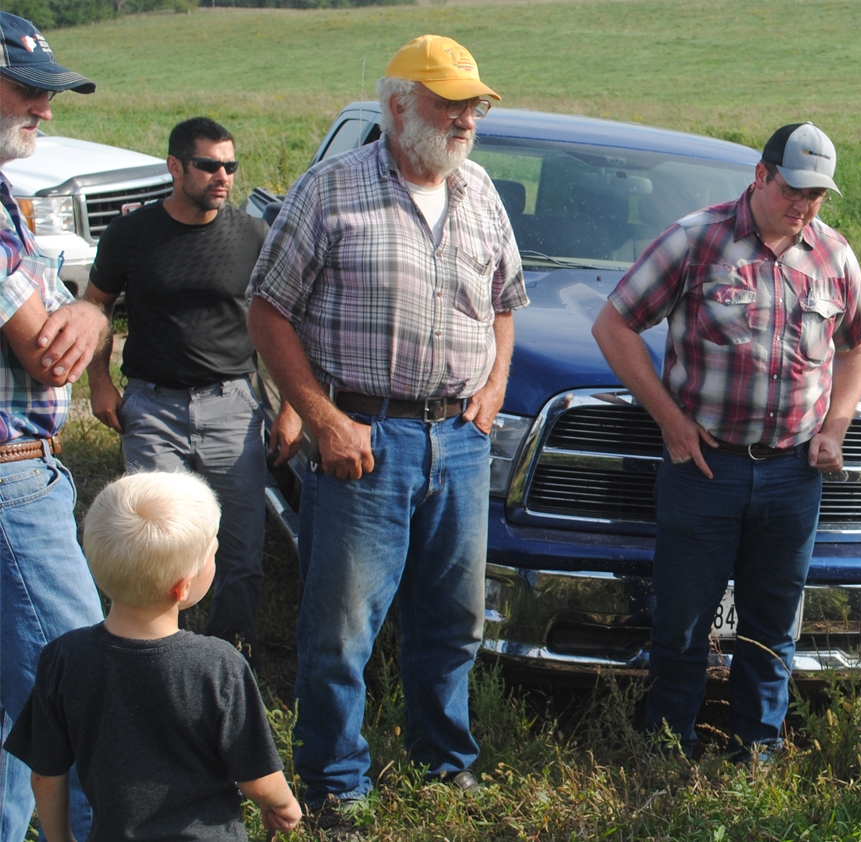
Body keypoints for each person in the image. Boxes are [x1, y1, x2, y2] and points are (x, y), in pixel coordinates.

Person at [247, 34, 525, 828]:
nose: (466, 117)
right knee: (341, 627)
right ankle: (336, 780)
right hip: (362, 439)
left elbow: (507, 302)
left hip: (461, 443)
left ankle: (446, 763)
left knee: (452, 619)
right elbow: (267, 310)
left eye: (473, 104)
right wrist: (325, 419)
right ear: (399, 104)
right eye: (450, 101)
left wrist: (496, 383)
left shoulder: (480, 195)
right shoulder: (332, 190)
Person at [592, 122, 861, 759]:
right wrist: (667, 416)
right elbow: (614, 325)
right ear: (761, 177)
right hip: (705, 470)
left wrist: (835, 427)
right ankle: (668, 747)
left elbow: (857, 349)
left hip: (793, 475)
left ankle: (758, 750)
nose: (804, 206)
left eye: (818, 195)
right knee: (684, 623)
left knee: (773, 626)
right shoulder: (696, 240)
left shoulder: (834, 256)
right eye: (793, 190)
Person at [85, 116, 293, 667]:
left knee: (240, 546)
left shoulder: (252, 235)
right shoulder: (131, 234)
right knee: (153, 542)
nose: (222, 176)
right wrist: (100, 382)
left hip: (232, 405)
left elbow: (287, 318)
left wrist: (290, 408)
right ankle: (150, 657)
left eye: (230, 166)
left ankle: (230, 659)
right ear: (175, 166)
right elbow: (96, 306)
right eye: (208, 165)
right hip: (152, 405)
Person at [3, 472, 301, 841]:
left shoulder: (63, 659)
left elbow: (45, 777)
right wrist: (283, 803)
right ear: (183, 585)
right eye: (212, 552)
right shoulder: (218, 665)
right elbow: (256, 777)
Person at [0, 13, 109, 842]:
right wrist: (91, 322)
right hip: (10, 475)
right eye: (30, 91)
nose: (45, 109)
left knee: (17, 703)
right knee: (83, 690)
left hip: (21, 466)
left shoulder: (9, 195)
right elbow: (50, 351)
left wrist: (84, 319)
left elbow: (61, 323)